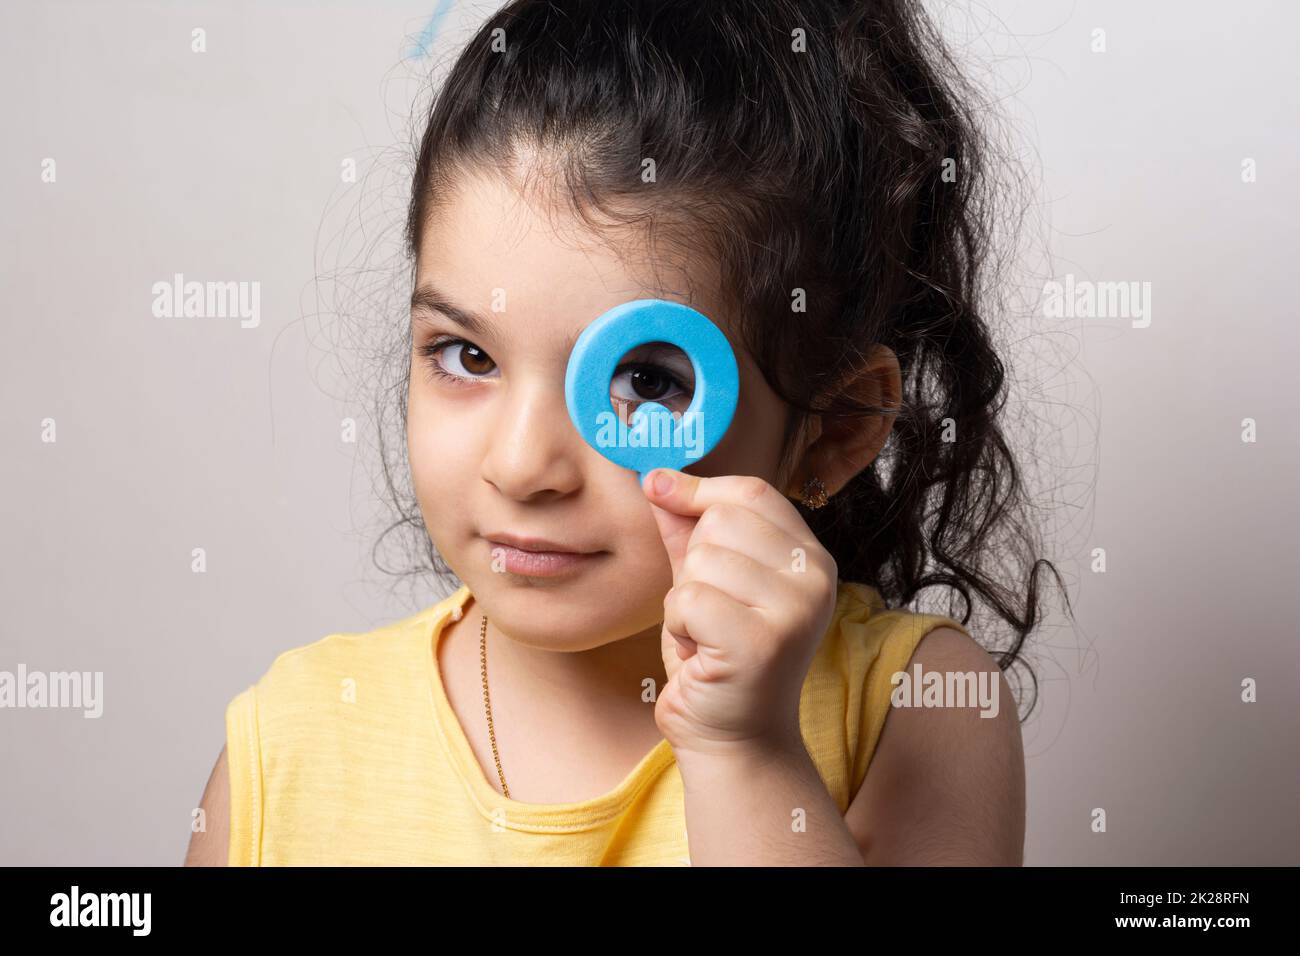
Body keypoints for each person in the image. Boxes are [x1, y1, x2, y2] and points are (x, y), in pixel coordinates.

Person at [186, 0, 1066, 866]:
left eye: (645, 381)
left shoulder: (920, 711)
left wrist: (744, 752)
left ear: (835, 429)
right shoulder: (289, 742)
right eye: (466, 356)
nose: (523, 465)